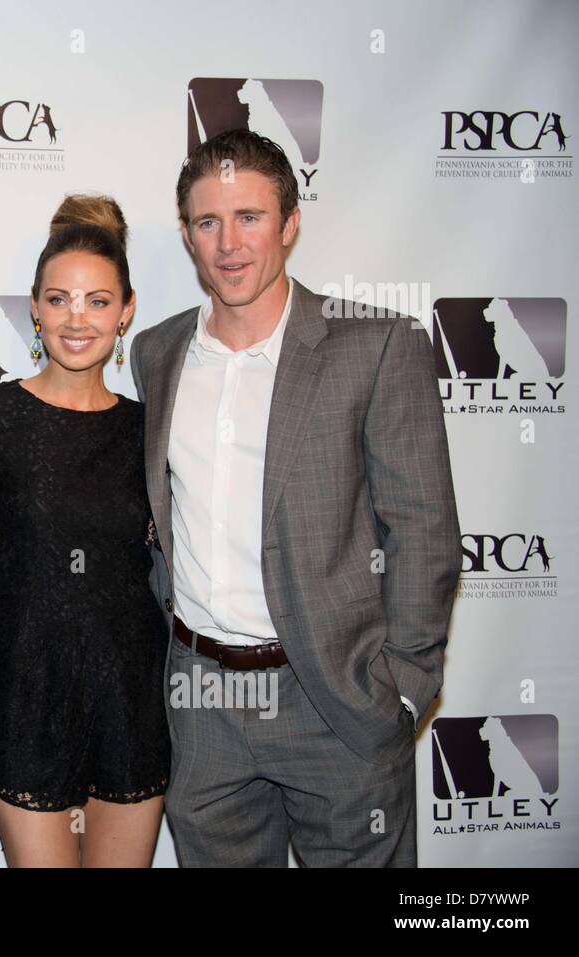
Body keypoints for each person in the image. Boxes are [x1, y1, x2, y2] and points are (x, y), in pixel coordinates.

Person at [130, 128, 460, 866]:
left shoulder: (374, 344)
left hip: (334, 697)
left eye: (250, 216)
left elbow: (424, 528)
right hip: (202, 703)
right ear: (186, 235)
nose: (229, 243)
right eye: (208, 222)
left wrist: (402, 687)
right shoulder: (157, 350)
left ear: (291, 222)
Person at [0, 195, 170, 867]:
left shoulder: (150, 428)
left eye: (98, 301)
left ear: (126, 311)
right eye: (60, 299)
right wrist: (22, 540)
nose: (76, 318)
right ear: (34, 307)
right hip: (27, 691)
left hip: (132, 694)